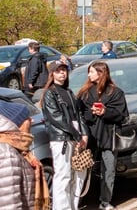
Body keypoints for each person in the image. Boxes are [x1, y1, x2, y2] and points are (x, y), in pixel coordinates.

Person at [76, 61, 128, 210]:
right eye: (89, 71)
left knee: (109, 168)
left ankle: (105, 201)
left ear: (101, 73)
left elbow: (122, 115)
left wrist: (105, 112)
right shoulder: (85, 92)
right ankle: (78, 199)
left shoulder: (116, 92)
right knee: (83, 168)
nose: (89, 75)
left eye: (92, 72)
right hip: (89, 135)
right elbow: (78, 112)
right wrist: (90, 113)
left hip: (108, 135)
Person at [0, 100, 44, 210]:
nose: (31, 120)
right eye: (27, 117)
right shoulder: (6, 154)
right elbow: (8, 204)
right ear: (17, 123)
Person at [40, 61, 89, 210]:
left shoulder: (69, 92)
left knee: (78, 174)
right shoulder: (50, 93)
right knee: (63, 175)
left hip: (75, 135)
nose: (62, 73)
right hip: (61, 138)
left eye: (64, 70)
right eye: (59, 71)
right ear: (52, 73)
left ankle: (72, 206)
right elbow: (56, 117)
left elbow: (78, 114)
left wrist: (84, 134)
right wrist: (76, 134)